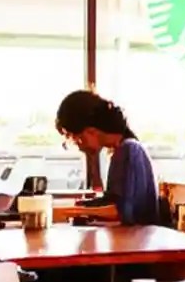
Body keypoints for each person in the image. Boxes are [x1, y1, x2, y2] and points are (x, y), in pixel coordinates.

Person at [54, 90, 159, 226]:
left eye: (77, 138)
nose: (79, 146)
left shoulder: (129, 149)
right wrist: (82, 205)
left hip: (137, 242)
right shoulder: (121, 150)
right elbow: (111, 200)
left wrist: (68, 212)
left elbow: (121, 211)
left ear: (91, 131)